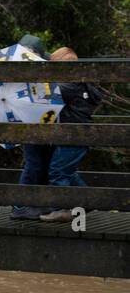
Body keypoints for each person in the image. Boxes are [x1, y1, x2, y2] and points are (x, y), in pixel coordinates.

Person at [39, 47, 103, 224]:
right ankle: (88, 201)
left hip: (74, 135)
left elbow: (48, 91)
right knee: (68, 171)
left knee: (58, 171)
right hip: (75, 134)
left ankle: (62, 209)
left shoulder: (69, 85)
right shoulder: (78, 82)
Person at [9, 34, 54, 220]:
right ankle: (19, 206)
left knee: (43, 163)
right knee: (34, 165)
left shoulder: (43, 72)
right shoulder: (15, 72)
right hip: (28, 122)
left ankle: (38, 203)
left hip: (44, 121)